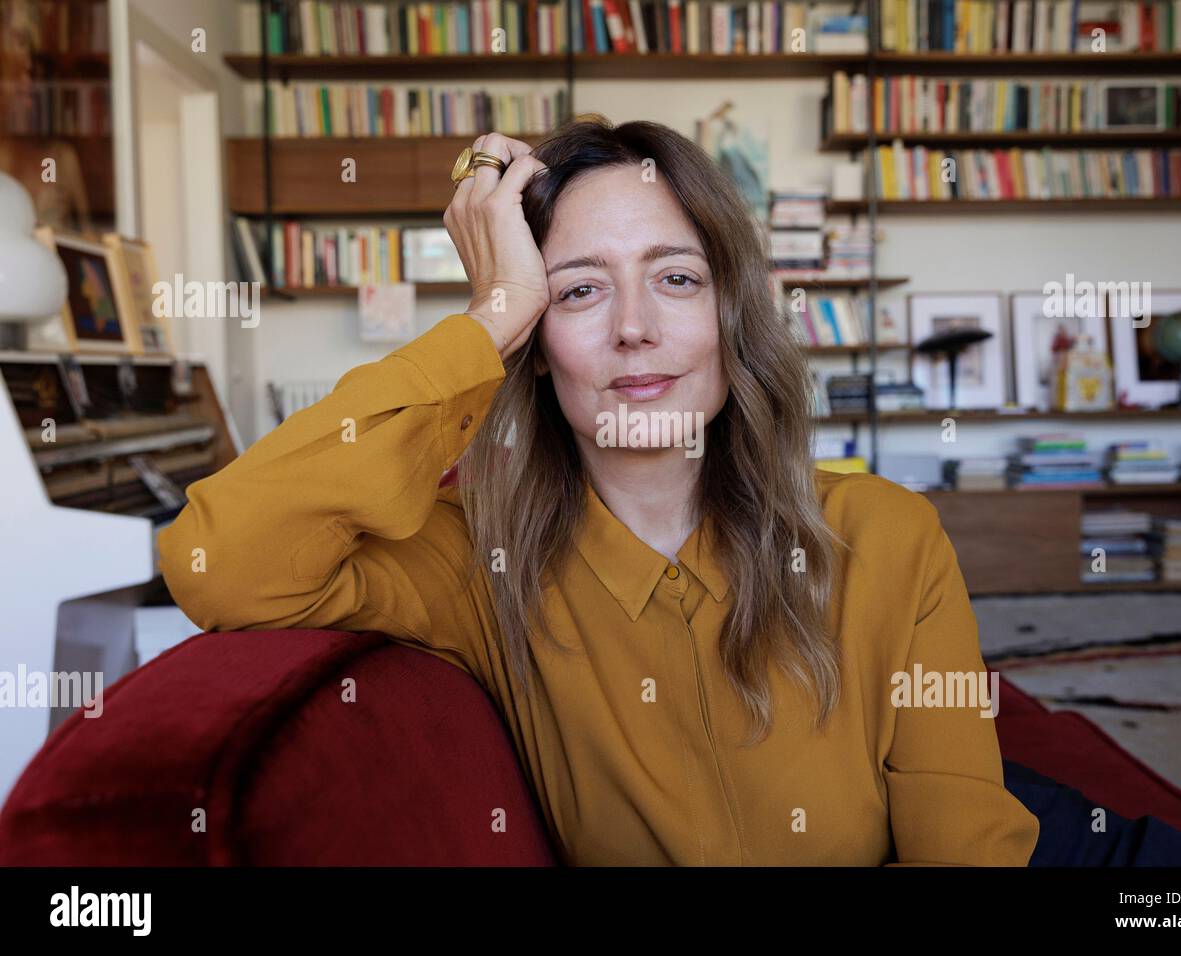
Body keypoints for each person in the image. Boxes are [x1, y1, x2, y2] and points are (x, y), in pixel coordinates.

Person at [158, 116, 1039, 866]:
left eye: (678, 277)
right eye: (578, 291)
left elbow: (966, 844)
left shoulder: (889, 532)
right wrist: (489, 315)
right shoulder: (477, 560)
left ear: (730, 314)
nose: (635, 329)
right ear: (535, 344)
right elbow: (220, 560)